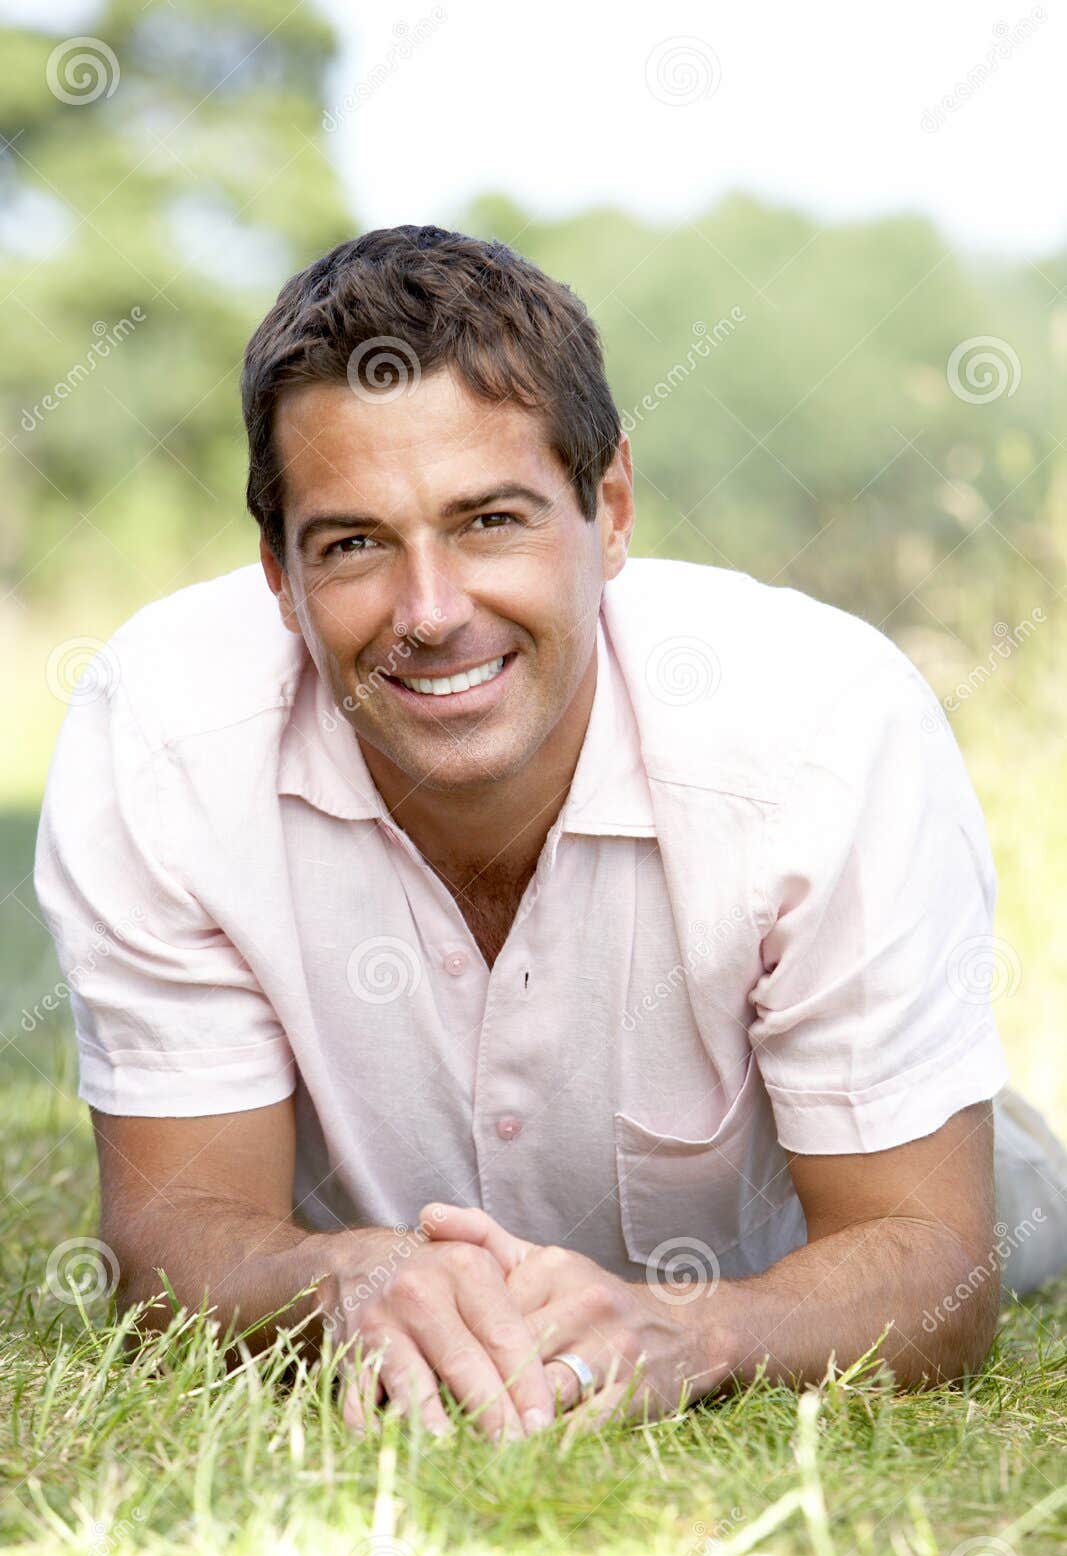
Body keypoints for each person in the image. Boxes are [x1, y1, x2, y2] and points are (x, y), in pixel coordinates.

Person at [34, 225, 1067, 1440]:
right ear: (277, 571)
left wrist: (692, 1331)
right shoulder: (162, 735)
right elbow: (170, 1233)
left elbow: (933, 1269)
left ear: (610, 506)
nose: (429, 614)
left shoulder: (824, 729)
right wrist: (335, 1282)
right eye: (354, 543)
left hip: (832, 1218)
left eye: (490, 521)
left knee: (1018, 1201)